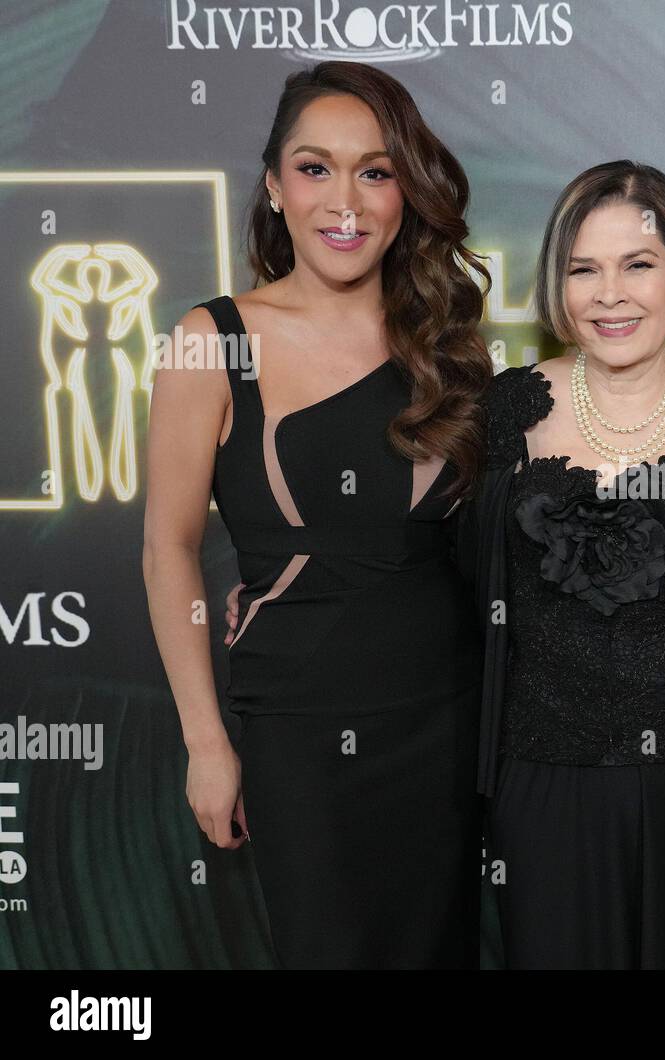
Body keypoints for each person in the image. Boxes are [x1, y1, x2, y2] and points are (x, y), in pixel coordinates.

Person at [143, 61, 492, 968]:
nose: (347, 201)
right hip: (299, 730)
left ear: (407, 192)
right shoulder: (210, 341)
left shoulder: (445, 348)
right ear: (273, 185)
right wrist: (206, 742)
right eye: (315, 168)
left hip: (446, 725)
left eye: (376, 171)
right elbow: (169, 551)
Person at [463, 160, 665, 968]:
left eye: (637, 264)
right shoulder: (502, 413)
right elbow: (440, 583)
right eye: (583, 269)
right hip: (543, 783)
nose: (610, 295)